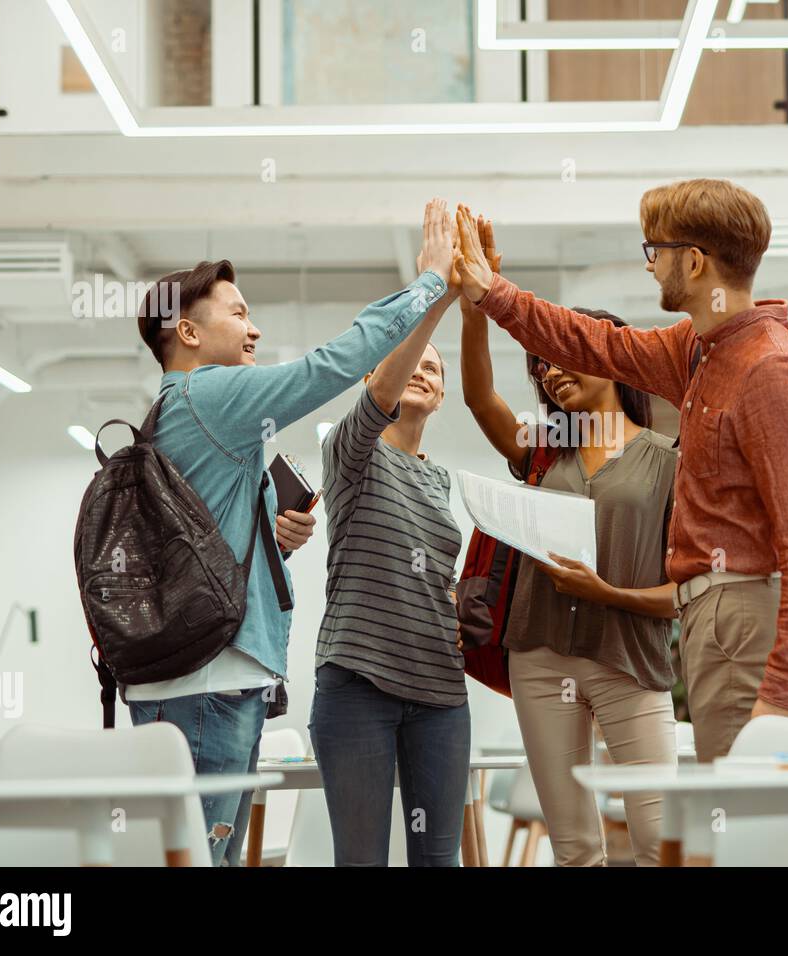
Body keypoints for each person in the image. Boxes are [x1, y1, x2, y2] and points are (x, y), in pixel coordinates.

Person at [453, 181, 788, 763]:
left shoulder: (772, 371)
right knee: (729, 820)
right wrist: (490, 294)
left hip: (742, 613)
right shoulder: (700, 348)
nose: (651, 267)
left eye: (655, 253)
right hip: (708, 617)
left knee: (744, 826)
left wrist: (783, 698)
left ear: (693, 260)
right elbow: (593, 342)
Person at [126, 198, 457, 866]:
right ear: (187, 333)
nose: (253, 330)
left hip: (206, 682)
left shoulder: (178, 413)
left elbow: (197, 548)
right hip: (207, 686)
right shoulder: (207, 395)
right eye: (239, 313)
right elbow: (328, 368)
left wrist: (269, 541)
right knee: (201, 858)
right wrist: (431, 284)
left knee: (197, 855)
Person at [459, 216, 678, 866]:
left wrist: (605, 590)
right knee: (575, 845)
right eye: (539, 368)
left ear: (610, 355)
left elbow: (687, 592)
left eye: (561, 358)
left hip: (629, 661)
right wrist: (479, 298)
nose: (550, 376)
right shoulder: (542, 452)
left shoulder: (667, 461)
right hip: (539, 656)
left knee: (659, 838)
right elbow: (478, 399)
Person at [308, 200, 469, 866]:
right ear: (379, 376)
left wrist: (468, 608)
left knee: (438, 862)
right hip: (358, 688)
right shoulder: (353, 454)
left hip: (440, 694)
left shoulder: (441, 483)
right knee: (363, 861)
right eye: (412, 364)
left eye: (438, 368)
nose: (426, 370)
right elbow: (377, 400)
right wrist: (437, 297)